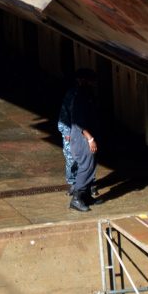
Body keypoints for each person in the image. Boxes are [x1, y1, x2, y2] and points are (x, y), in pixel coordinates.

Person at [58, 69, 99, 212]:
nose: (94, 83)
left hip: (85, 136)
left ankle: (86, 196)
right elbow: (78, 121)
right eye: (91, 80)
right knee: (85, 167)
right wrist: (90, 139)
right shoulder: (79, 96)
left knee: (91, 166)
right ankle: (76, 199)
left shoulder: (87, 94)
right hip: (81, 139)